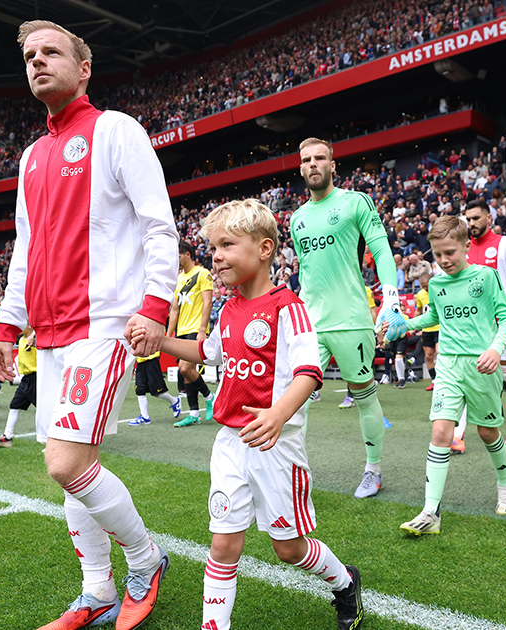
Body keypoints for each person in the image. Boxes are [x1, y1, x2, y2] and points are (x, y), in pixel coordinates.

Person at [0, 21, 175, 630]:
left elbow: (157, 225)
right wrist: (7, 325)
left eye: (51, 52)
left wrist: (155, 305)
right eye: (29, 56)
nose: (37, 62)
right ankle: (97, 591)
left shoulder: (115, 130)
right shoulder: (32, 155)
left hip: (104, 325)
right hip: (50, 334)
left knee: (67, 463)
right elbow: (26, 249)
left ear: (84, 67)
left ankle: (146, 557)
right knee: (69, 467)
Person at [142, 199, 364, 630]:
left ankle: (344, 582)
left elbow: (309, 372)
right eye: (212, 249)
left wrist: (278, 414)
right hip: (230, 441)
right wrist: (160, 340)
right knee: (223, 546)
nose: (217, 256)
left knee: (289, 549)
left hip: (276, 444)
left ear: (264, 249)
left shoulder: (288, 307)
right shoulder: (228, 309)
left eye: (226, 244)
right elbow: (206, 352)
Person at [382, 215, 506, 535]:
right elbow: (434, 316)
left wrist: (496, 349)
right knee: (441, 431)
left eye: (450, 252)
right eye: (438, 254)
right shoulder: (438, 283)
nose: (444, 260)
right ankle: (431, 512)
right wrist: (406, 324)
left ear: (466, 246)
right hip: (449, 367)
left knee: (487, 433)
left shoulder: (486, 276)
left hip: (482, 367)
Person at [290, 137, 400, 499]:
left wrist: (391, 294)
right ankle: (294, 473)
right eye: (307, 159)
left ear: (333, 165)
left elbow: (380, 248)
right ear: (300, 167)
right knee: (296, 401)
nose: (313, 164)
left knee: (364, 396)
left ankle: (374, 469)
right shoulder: (297, 218)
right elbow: (306, 272)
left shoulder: (355, 202)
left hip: (351, 318)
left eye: (320, 158)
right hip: (310, 323)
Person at [462, 200, 506, 447]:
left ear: (489, 219)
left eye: (476, 218)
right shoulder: (463, 248)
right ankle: (458, 434)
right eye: (468, 219)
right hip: (470, 325)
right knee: (465, 377)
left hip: (501, 324)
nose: (471, 223)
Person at [168, 241, 215, 427]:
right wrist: (169, 334)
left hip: (196, 330)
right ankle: (194, 413)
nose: (177, 260)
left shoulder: (203, 273)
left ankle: (210, 396)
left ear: (188, 254)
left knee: (185, 368)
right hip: (182, 331)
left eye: (178, 256)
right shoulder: (178, 279)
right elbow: (174, 310)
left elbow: (208, 302)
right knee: (188, 373)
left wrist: (203, 330)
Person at [0, 328, 38, 446]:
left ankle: (48, 439)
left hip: (37, 378)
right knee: (14, 405)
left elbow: (41, 330)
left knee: (43, 409)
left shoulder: (36, 338)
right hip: (26, 379)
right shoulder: (21, 340)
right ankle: (7, 437)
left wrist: (34, 334)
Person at [127, 351, 183, 426]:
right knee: (139, 390)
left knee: (157, 392)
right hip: (140, 362)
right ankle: (145, 417)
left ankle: (174, 401)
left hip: (152, 361)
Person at [414, 273, 439, 392]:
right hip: (426, 330)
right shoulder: (420, 294)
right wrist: (414, 325)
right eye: (423, 286)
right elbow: (418, 311)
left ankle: (444, 380)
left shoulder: (439, 290)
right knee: (429, 356)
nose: (425, 288)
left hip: (440, 328)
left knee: (440, 353)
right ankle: (434, 381)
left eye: (427, 285)